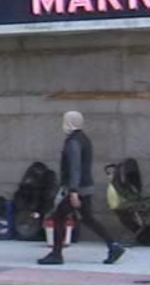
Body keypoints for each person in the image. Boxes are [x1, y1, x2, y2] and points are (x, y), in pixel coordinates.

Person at [38, 111, 125, 266]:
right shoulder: (84, 139)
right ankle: (113, 245)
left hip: (77, 188)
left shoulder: (73, 142)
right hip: (85, 186)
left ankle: (56, 254)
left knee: (59, 217)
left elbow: (75, 167)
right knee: (87, 218)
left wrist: (73, 191)